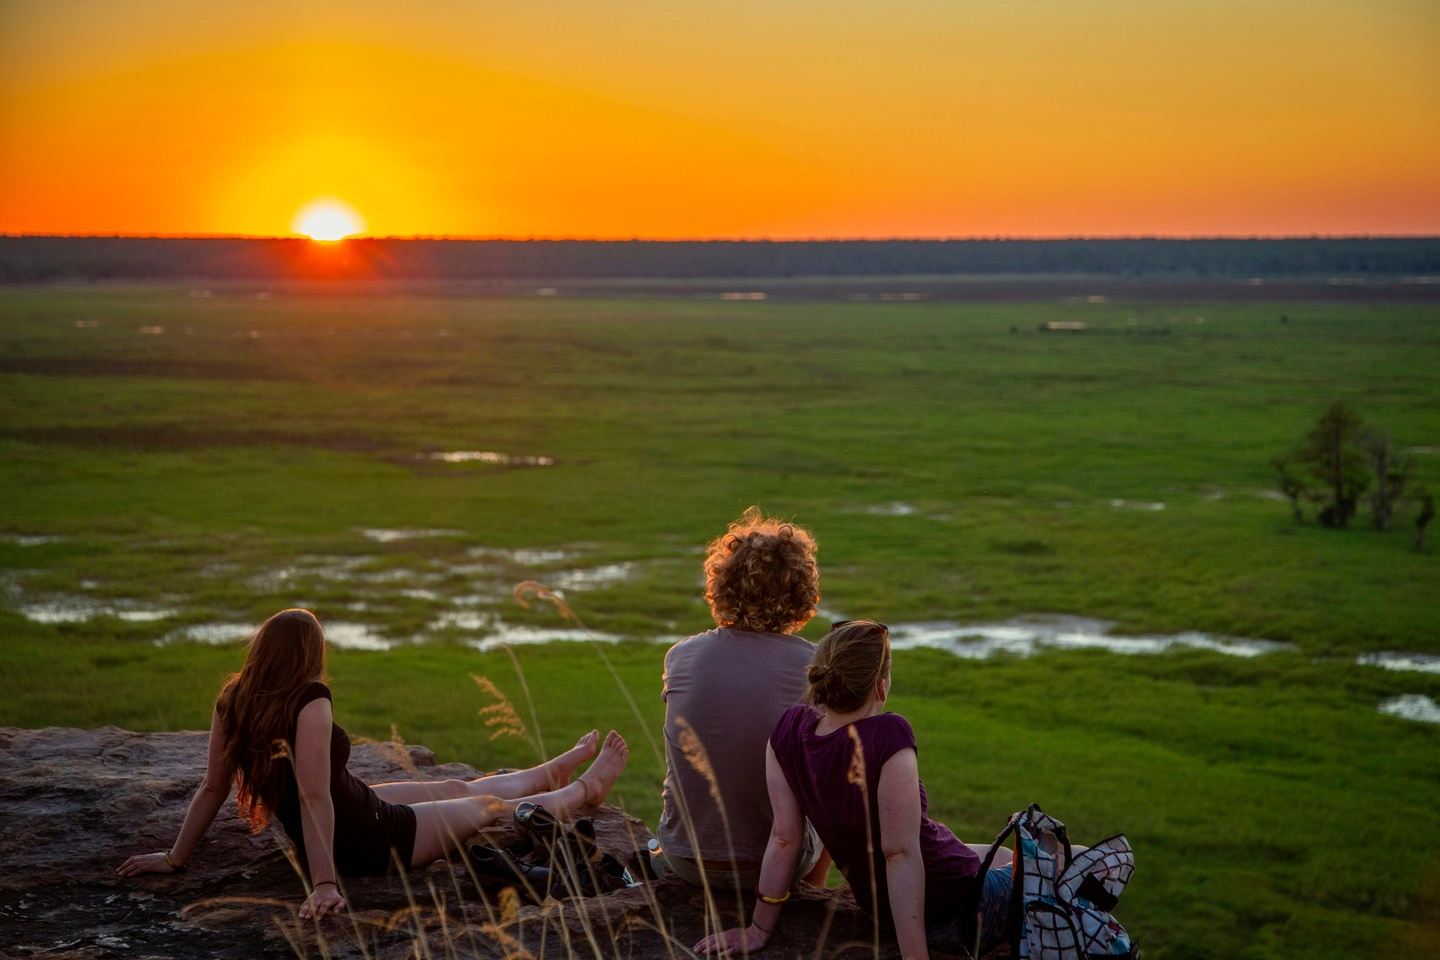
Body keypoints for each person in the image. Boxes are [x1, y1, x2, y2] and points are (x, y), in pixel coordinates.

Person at [118, 608, 629, 920]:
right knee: (487, 807)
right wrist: (324, 885)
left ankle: (554, 767)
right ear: (307, 656)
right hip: (370, 837)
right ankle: (587, 790)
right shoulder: (309, 699)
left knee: (454, 783)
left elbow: (212, 787)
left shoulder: (235, 697)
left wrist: (176, 858)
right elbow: (312, 796)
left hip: (358, 805)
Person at [695, 620, 1021, 960]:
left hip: (882, 908)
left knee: (1001, 856)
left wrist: (759, 929)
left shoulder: (788, 730)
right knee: (1054, 859)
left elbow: (785, 838)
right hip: (955, 910)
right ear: (880, 687)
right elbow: (899, 854)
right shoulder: (888, 735)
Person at [659, 507, 829, 892]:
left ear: (721, 584)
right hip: (784, 865)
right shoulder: (816, 665)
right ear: (802, 592)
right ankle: (815, 892)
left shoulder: (681, 656)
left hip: (687, 857)